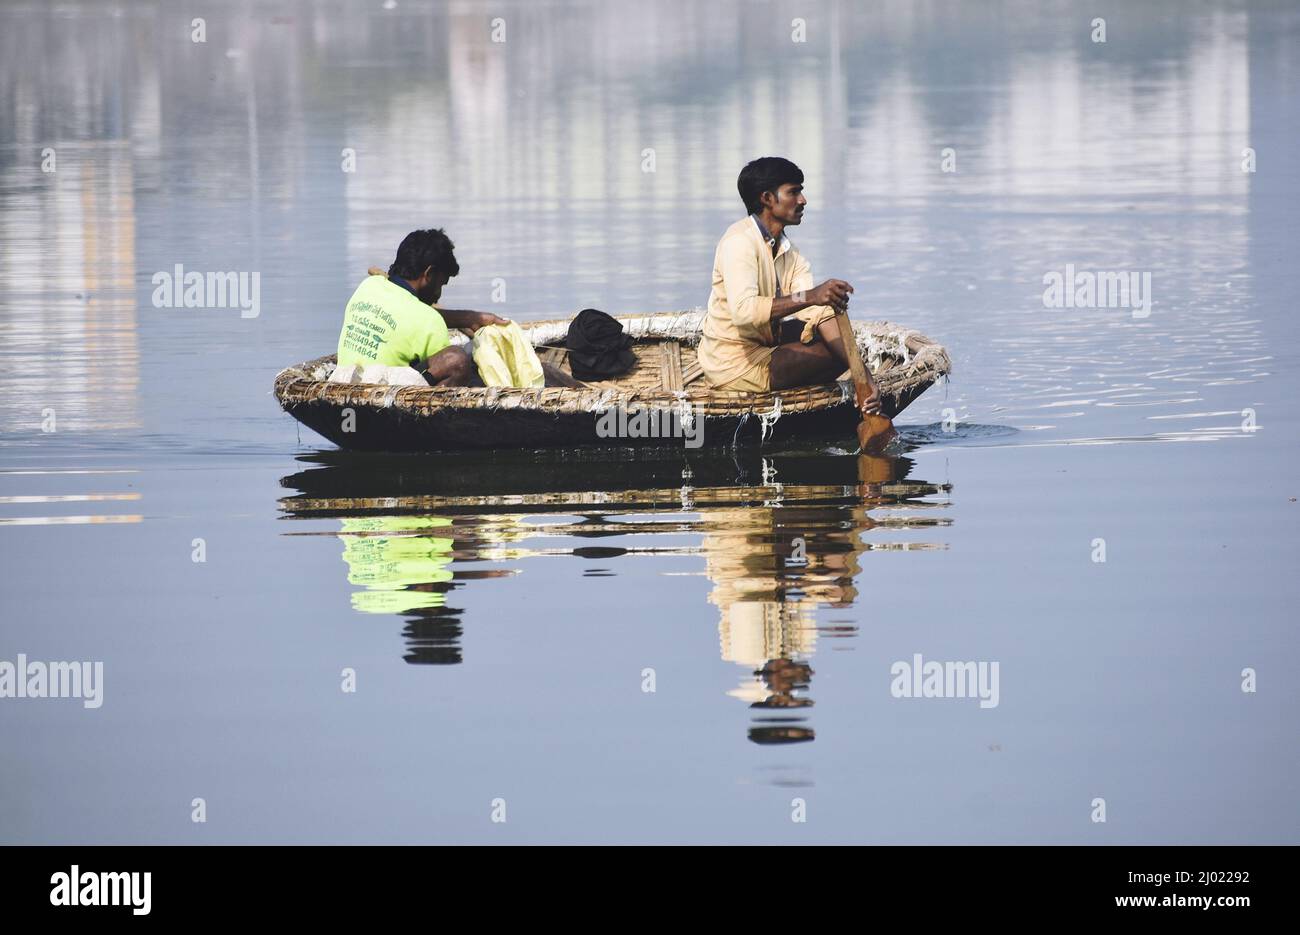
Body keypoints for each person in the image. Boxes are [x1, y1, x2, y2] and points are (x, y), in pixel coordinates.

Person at [698, 157, 881, 414]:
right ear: (767, 199)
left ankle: (862, 386)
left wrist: (866, 378)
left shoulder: (788, 251)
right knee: (834, 354)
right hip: (732, 363)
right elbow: (744, 312)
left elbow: (817, 311)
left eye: (801, 192)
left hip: (765, 343)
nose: (803, 200)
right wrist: (811, 296)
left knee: (835, 334)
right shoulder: (739, 242)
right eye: (793, 192)